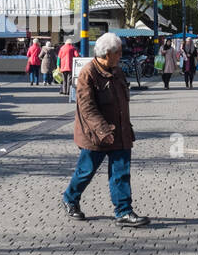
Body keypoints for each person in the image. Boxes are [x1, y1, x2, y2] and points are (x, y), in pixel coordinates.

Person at [61, 32, 148, 228]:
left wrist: (125, 128)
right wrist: (103, 130)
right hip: (94, 135)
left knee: (121, 173)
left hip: (120, 132)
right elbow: (87, 107)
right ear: (108, 53)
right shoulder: (88, 73)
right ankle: (70, 198)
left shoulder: (117, 71)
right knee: (86, 171)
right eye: (118, 53)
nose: (120, 56)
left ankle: (123, 212)